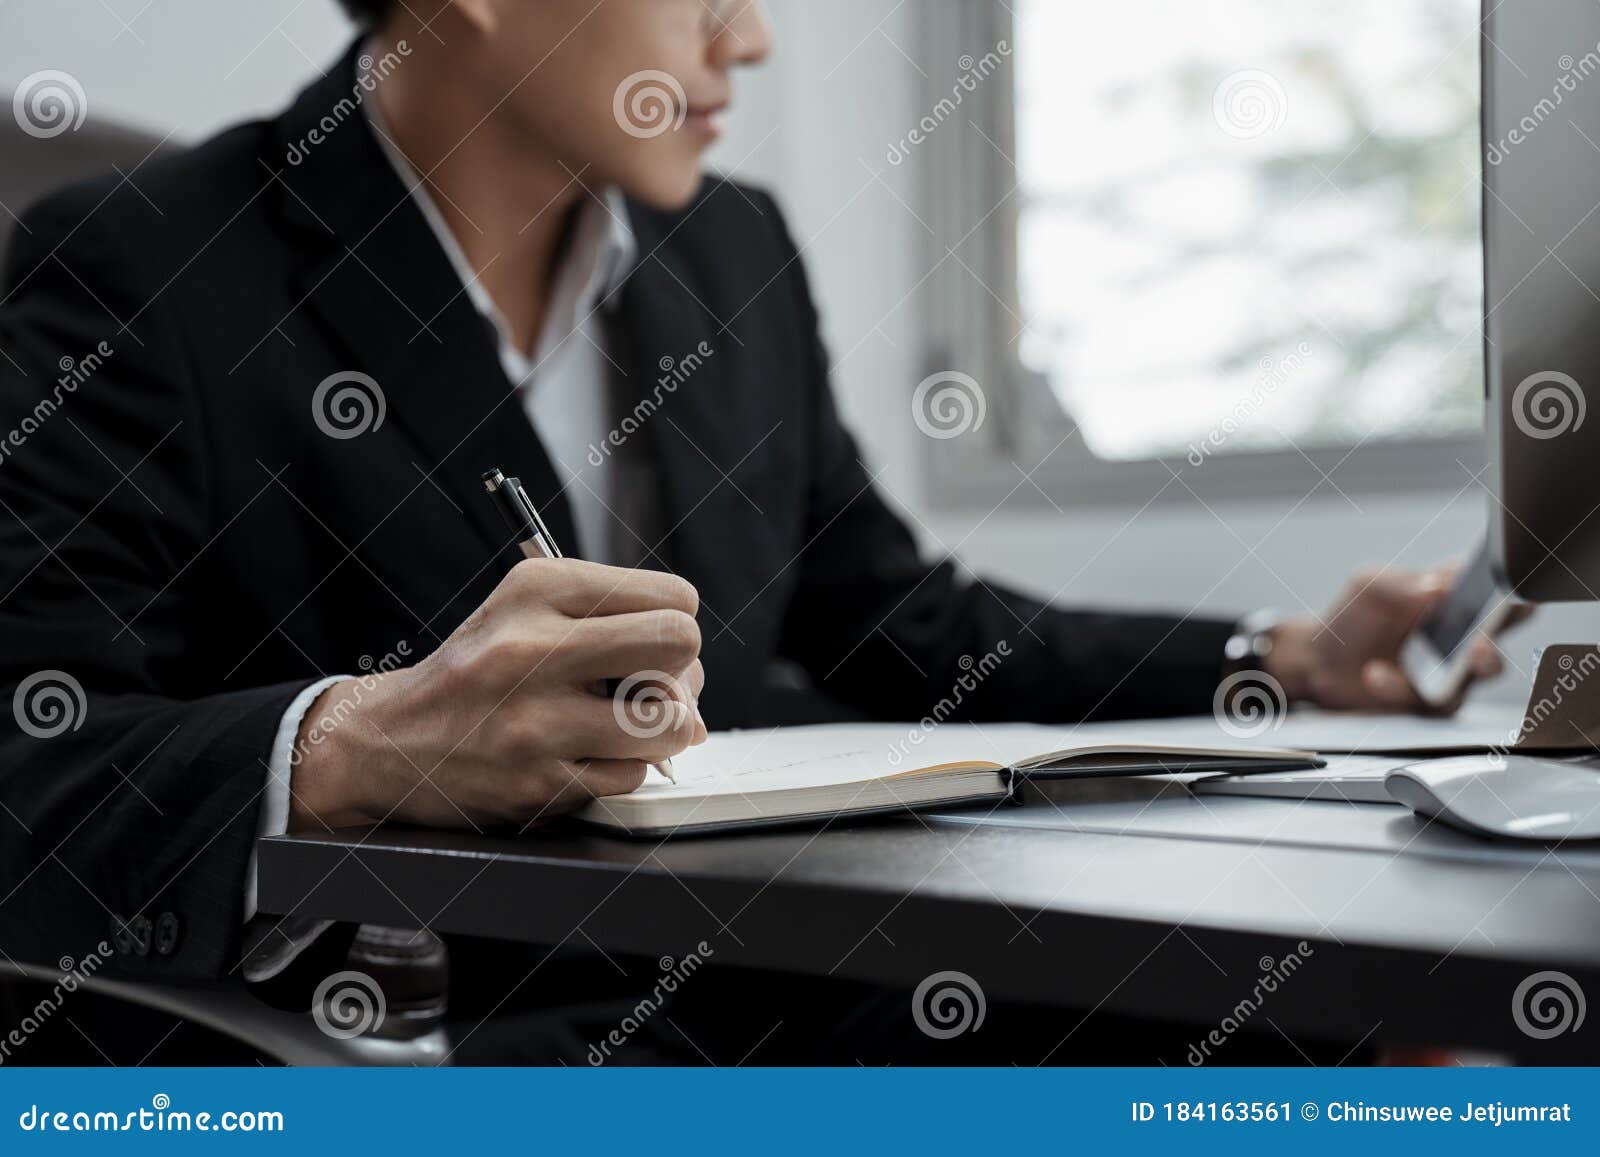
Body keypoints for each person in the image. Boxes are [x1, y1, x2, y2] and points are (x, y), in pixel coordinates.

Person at [0, 0, 1504, 1062]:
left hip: (753, 964)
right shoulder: (139, 264)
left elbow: (895, 617)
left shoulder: (732, 250)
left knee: (1294, 1027)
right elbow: (32, 767)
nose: (755, 39)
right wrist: (355, 746)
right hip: (422, 1024)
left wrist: (1278, 655)